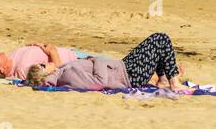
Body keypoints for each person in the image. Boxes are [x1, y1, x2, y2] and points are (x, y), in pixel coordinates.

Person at [25, 32, 183, 92]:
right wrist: (97, 60)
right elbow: (99, 81)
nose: (44, 63)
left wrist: (89, 61)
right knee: (161, 39)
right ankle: (174, 83)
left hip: (123, 67)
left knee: (157, 42)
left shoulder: (62, 71)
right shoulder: (68, 77)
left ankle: (163, 80)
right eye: (42, 65)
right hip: (128, 75)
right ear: (44, 74)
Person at [0, 43, 79, 81]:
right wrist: (52, 52)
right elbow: (56, 70)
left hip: (69, 51)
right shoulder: (23, 70)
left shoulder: (8, 58)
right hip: (75, 60)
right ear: (2, 69)